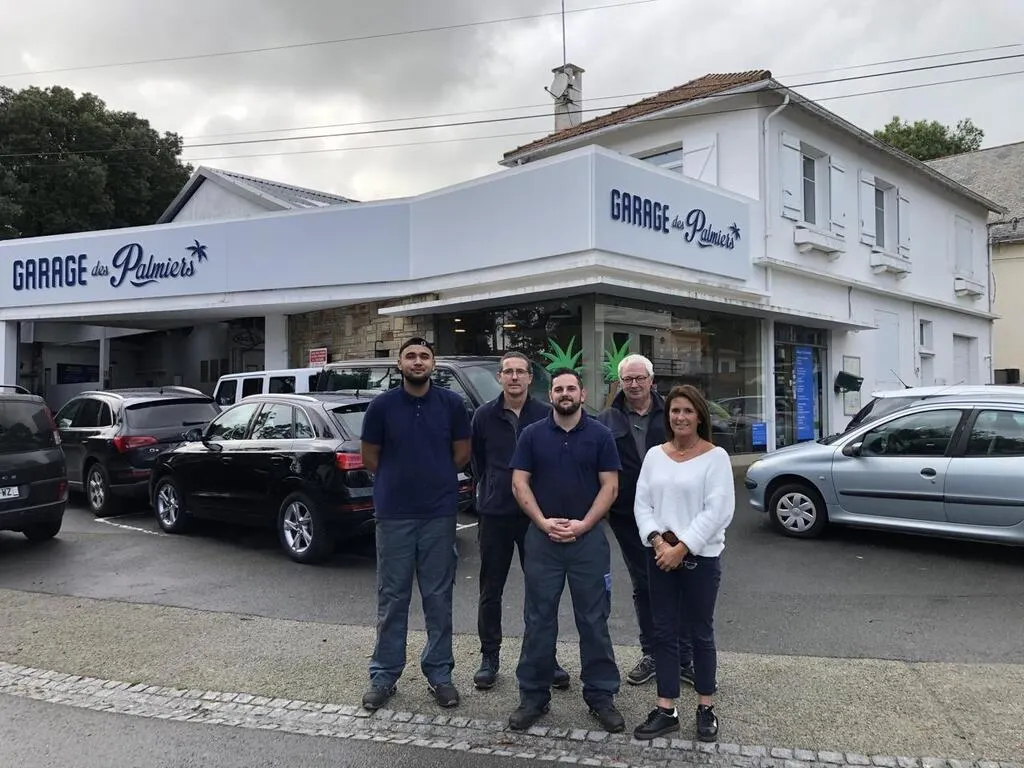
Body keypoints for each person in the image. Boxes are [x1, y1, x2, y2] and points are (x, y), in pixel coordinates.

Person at [506, 367, 625, 733]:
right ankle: (533, 696)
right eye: (558, 389)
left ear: (582, 394)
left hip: (587, 541)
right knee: (539, 620)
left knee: (593, 620)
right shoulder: (532, 434)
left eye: (571, 388)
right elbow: (518, 482)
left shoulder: (601, 435)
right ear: (551, 394)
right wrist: (542, 522)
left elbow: (610, 487)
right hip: (543, 541)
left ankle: (601, 696)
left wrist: (585, 524)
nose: (565, 394)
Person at [359, 337, 472, 712]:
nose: (418, 361)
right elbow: (370, 458)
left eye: (424, 356)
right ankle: (384, 674)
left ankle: (439, 673)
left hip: (439, 514)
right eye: (411, 356)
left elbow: (461, 454)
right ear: (399, 364)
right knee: (392, 598)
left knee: (438, 598)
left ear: (434, 364)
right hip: (394, 515)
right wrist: (402, 480)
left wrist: (433, 478)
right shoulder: (381, 406)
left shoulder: (452, 405)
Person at [631, 384, 735, 743]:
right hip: (659, 555)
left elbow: (718, 510)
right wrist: (659, 541)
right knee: (663, 632)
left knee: (700, 632)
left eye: (688, 411)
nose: (681, 417)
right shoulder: (655, 456)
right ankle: (666, 709)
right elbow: (642, 505)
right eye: (675, 411)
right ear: (668, 416)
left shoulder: (715, 457)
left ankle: (705, 707)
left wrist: (684, 547)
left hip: (700, 560)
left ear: (699, 416)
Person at [470, 351, 571, 691]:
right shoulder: (483, 416)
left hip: (536, 518)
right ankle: (489, 657)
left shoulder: (546, 414)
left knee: (542, 590)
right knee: (490, 589)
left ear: (530, 378)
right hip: (495, 515)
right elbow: (478, 463)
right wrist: (495, 490)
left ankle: (546, 656)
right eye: (508, 372)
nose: (514, 377)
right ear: (500, 377)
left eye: (520, 372)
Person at [596, 354, 696, 689]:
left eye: (640, 378)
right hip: (627, 517)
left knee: (678, 583)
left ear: (652, 380)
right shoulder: (606, 418)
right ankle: (652, 652)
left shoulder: (673, 413)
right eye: (628, 379)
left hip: (673, 515)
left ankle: (684, 657)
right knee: (644, 585)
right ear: (620, 382)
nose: (634, 385)